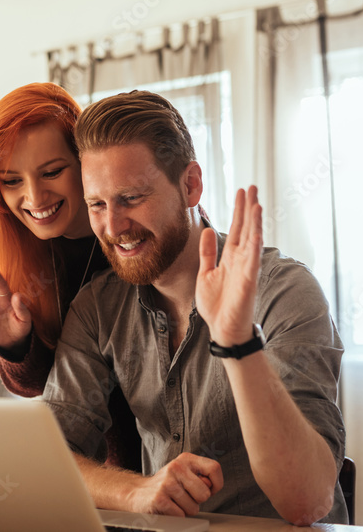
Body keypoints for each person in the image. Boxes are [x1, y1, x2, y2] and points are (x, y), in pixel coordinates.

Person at [42, 90, 347, 525]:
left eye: (131, 198)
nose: (112, 226)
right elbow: (50, 456)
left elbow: (308, 502)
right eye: (97, 204)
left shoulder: (285, 291)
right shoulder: (98, 307)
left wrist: (239, 344)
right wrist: (136, 491)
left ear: (190, 185)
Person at [0, 82, 142, 470]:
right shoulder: (28, 253)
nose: (35, 198)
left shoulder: (133, 236)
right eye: (11, 180)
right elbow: (47, 389)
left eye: (52, 172)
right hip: (107, 477)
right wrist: (15, 346)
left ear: (84, 164)